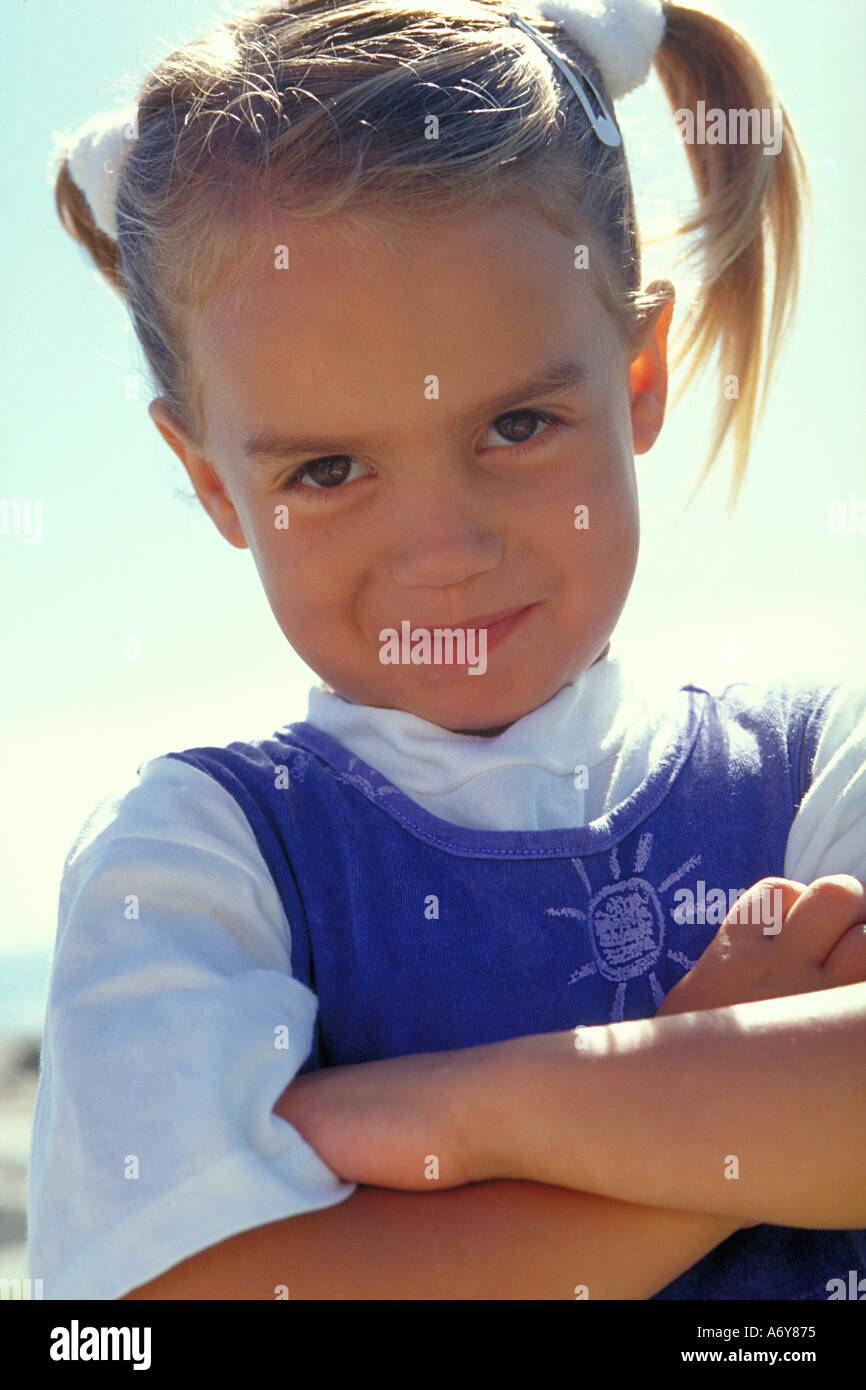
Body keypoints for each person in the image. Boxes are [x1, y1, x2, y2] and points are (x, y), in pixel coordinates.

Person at [30, 0, 865, 1300]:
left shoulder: (823, 759)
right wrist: (713, 1084)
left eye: (518, 425)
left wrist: (446, 1113)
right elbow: (177, 1298)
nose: (442, 551)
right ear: (208, 482)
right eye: (327, 466)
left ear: (639, 374)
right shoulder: (196, 850)